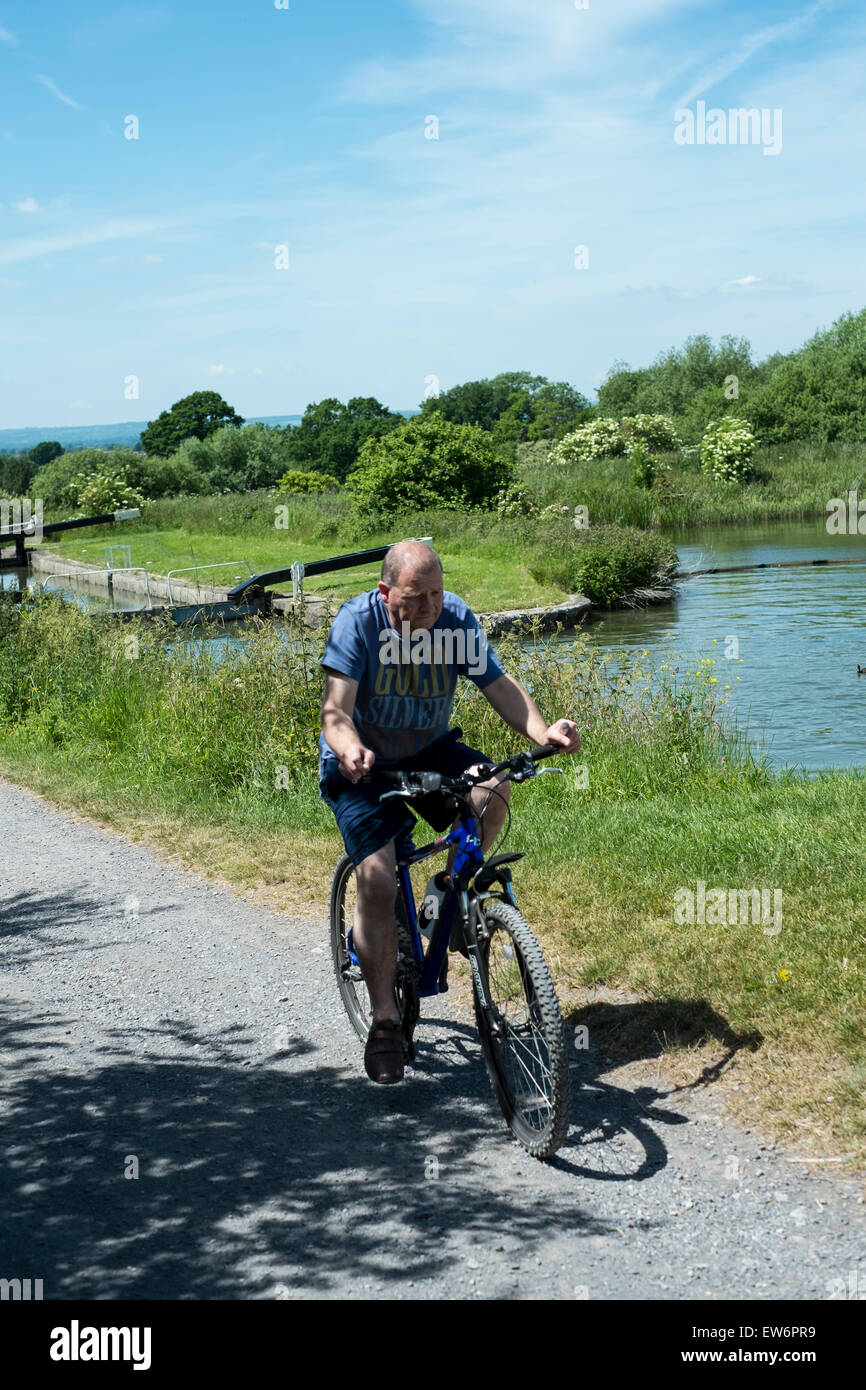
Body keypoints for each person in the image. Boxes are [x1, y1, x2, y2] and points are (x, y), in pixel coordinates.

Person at [319, 540, 580, 1084]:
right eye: (416, 597)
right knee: (377, 877)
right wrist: (348, 749)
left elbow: (499, 686)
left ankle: (451, 893)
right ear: (385, 591)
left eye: (437, 593)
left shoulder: (454, 618)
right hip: (363, 764)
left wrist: (542, 731)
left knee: (495, 789)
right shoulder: (356, 624)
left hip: (430, 750)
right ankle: (387, 1021)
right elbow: (336, 711)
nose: (430, 607)